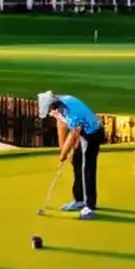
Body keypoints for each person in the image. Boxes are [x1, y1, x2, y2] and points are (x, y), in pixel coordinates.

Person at [37, 90, 104, 219]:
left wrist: (64, 154)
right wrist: (67, 152)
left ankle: (89, 206)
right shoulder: (62, 102)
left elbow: (73, 134)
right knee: (77, 162)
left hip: (93, 133)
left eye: (51, 111)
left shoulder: (70, 112)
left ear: (54, 106)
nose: (51, 113)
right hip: (83, 131)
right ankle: (79, 199)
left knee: (87, 168)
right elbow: (65, 126)